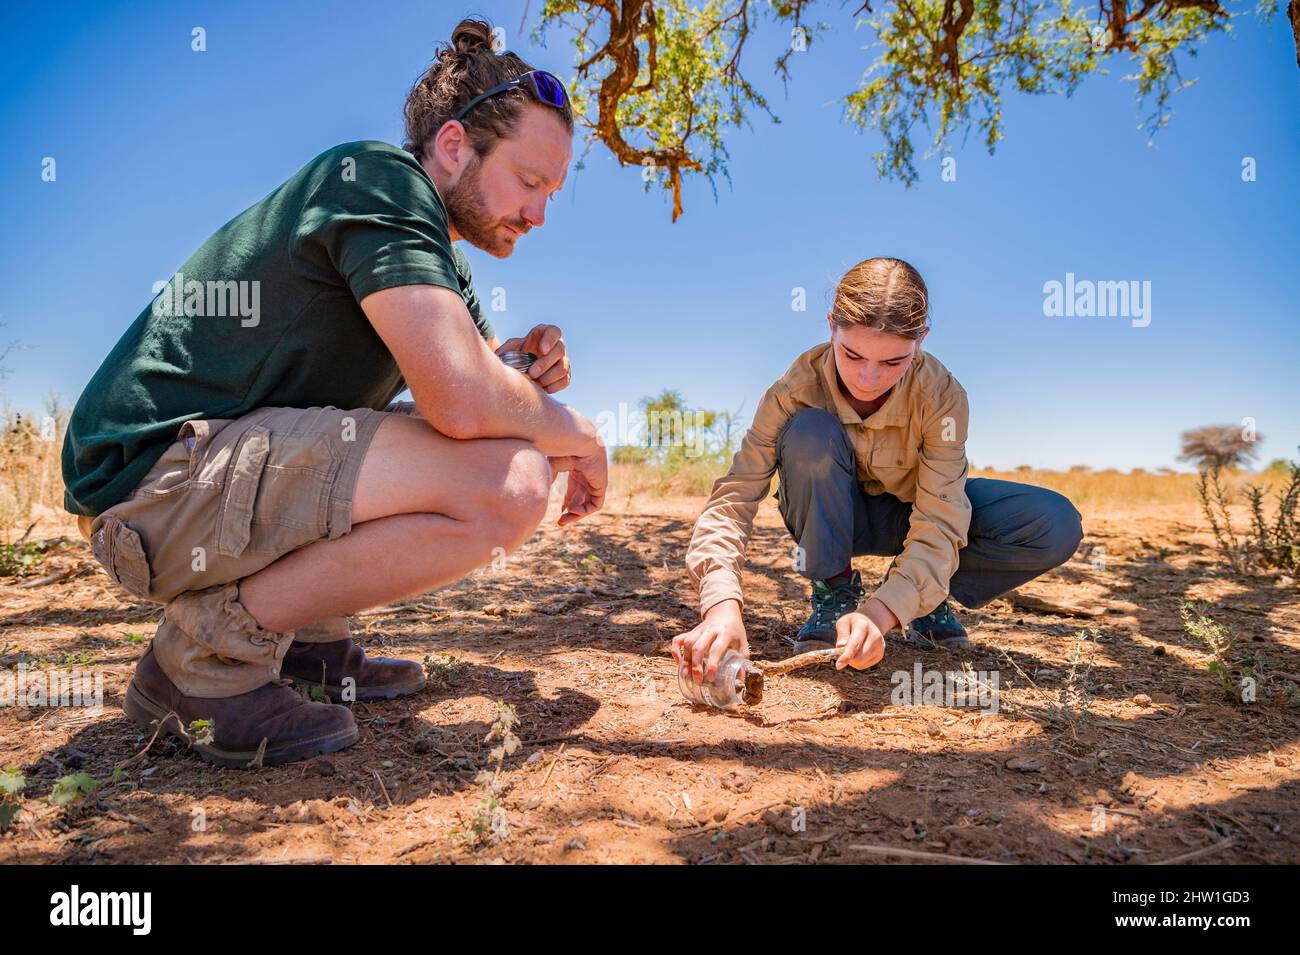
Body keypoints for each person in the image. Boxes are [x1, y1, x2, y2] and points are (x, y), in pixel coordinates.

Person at [61, 18, 607, 767]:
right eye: (530, 181)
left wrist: (526, 364)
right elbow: (462, 399)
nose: (540, 214)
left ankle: (305, 644)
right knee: (510, 484)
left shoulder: (438, 256)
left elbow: (482, 381)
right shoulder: (379, 179)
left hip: (203, 476)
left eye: (553, 192)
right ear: (454, 146)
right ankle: (205, 659)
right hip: (147, 483)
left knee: (506, 446)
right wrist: (581, 434)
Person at [674, 257, 1083, 685]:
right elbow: (733, 499)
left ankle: (921, 595)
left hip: (909, 517)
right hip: (831, 521)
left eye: (893, 362)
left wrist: (882, 611)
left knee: (1053, 523)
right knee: (809, 434)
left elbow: (941, 516)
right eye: (852, 354)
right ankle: (834, 588)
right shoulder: (792, 391)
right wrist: (720, 606)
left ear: (921, 339)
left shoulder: (942, 396)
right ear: (831, 326)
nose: (868, 379)